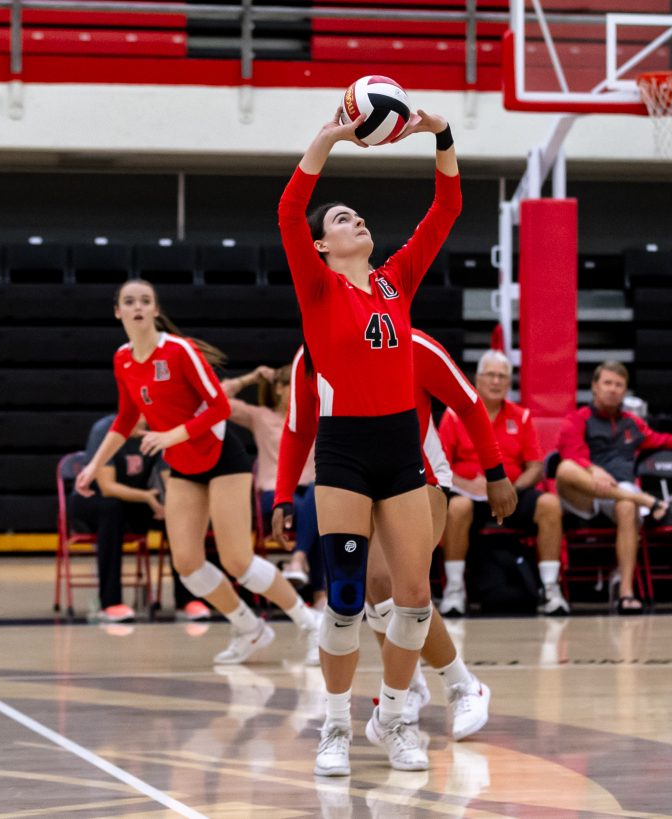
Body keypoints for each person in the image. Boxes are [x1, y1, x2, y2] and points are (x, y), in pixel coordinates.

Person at [278, 106, 460, 775]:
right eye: (340, 219)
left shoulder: (395, 281)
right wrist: (325, 138)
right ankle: (334, 727)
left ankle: (393, 715)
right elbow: (288, 211)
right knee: (348, 597)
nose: (353, 220)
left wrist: (438, 134)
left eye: (356, 214)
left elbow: (446, 207)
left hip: (399, 450)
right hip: (346, 451)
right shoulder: (319, 287)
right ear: (323, 245)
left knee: (412, 594)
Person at [273, 332, 516, 744]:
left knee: (394, 586)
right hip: (351, 480)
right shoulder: (311, 354)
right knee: (369, 591)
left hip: (420, 476)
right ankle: (410, 686)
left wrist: (495, 472)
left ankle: (462, 685)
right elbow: (298, 429)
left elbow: (469, 402)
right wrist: (283, 496)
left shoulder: (411, 343)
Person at [75, 279, 319, 665]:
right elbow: (125, 419)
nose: (138, 306)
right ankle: (249, 628)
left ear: (155, 310)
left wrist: (171, 434)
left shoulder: (180, 351)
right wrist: (92, 465)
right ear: (118, 312)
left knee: (236, 559)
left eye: (146, 300)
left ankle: (310, 624)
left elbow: (220, 406)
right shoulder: (122, 359)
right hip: (184, 464)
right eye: (129, 301)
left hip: (222, 457)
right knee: (187, 564)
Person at [554, 361, 672, 614]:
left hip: (617, 493)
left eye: (619, 385)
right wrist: (593, 469)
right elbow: (570, 455)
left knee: (627, 506)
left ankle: (626, 592)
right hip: (583, 491)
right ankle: (645, 501)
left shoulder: (632, 423)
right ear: (594, 387)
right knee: (564, 470)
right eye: (607, 383)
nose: (612, 390)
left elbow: (661, 439)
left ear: (625, 390)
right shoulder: (576, 419)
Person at [438, 349, 567, 616]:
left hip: (512, 494)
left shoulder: (521, 417)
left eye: (502, 377)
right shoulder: (454, 415)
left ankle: (551, 589)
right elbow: (439, 466)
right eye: (491, 375)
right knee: (457, 508)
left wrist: (511, 489)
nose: (496, 382)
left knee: (550, 504)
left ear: (509, 383)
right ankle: (454, 590)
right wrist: (463, 482)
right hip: (470, 496)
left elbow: (536, 467)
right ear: (477, 379)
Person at [221, 363, 323, 609]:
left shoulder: (313, 415)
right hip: (273, 496)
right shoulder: (260, 416)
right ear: (278, 388)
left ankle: (298, 561)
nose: (298, 390)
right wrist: (251, 378)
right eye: (291, 385)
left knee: (317, 498)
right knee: (316, 515)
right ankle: (320, 594)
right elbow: (218, 399)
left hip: (309, 495)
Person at [70, 413, 165, 623]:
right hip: (94, 499)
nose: (142, 421)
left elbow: (167, 476)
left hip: (135, 500)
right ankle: (110, 603)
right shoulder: (105, 429)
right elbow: (107, 487)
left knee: (179, 511)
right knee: (111, 509)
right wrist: (147, 497)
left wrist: (166, 502)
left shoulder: (159, 430)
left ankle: (190, 600)